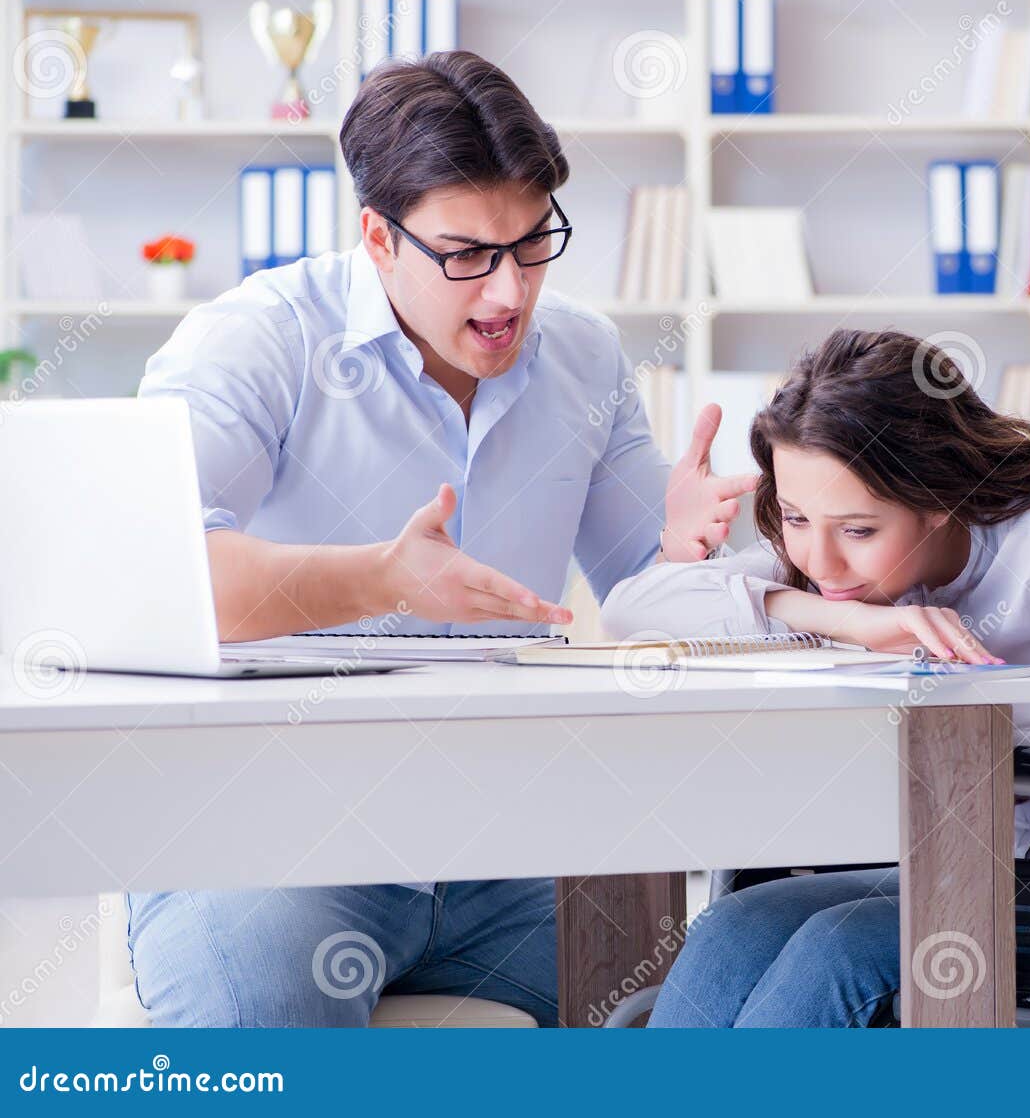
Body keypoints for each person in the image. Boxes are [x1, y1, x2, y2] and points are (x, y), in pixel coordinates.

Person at [127, 51, 752, 1027]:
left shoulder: (583, 355)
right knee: (261, 1020)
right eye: (466, 254)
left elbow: (647, 587)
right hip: (266, 834)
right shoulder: (260, 342)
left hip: (501, 844)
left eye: (531, 242)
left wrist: (692, 557)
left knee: (703, 989)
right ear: (378, 236)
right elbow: (154, 576)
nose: (507, 292)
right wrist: (383, 579)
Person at [600, 327, 1030, 1028]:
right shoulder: (835, 566)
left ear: (939, 497)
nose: (821, 560)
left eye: (858, 531)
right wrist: (846, 621)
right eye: (793, 517)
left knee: (839, 949)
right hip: (995, 868)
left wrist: (1004, 714)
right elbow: (630, 608)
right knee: (736, 924)